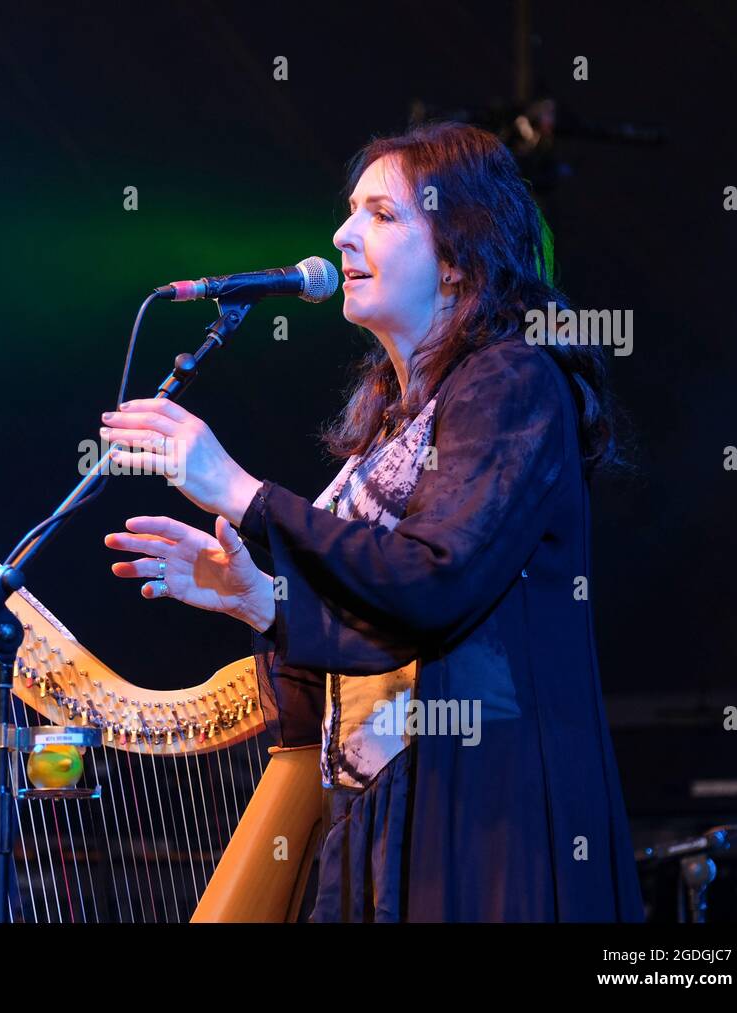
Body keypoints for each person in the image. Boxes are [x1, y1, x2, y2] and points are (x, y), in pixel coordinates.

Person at [101, 121, 645, 922]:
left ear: (460, 258)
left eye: (382, 214)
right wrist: (260, 601)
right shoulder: (390, 429)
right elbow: (376, 644)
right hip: (387, 812)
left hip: (484, 823)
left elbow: (435, 582)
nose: (342, 232)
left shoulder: (514, 382)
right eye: (351, 211)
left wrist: (243, 493)